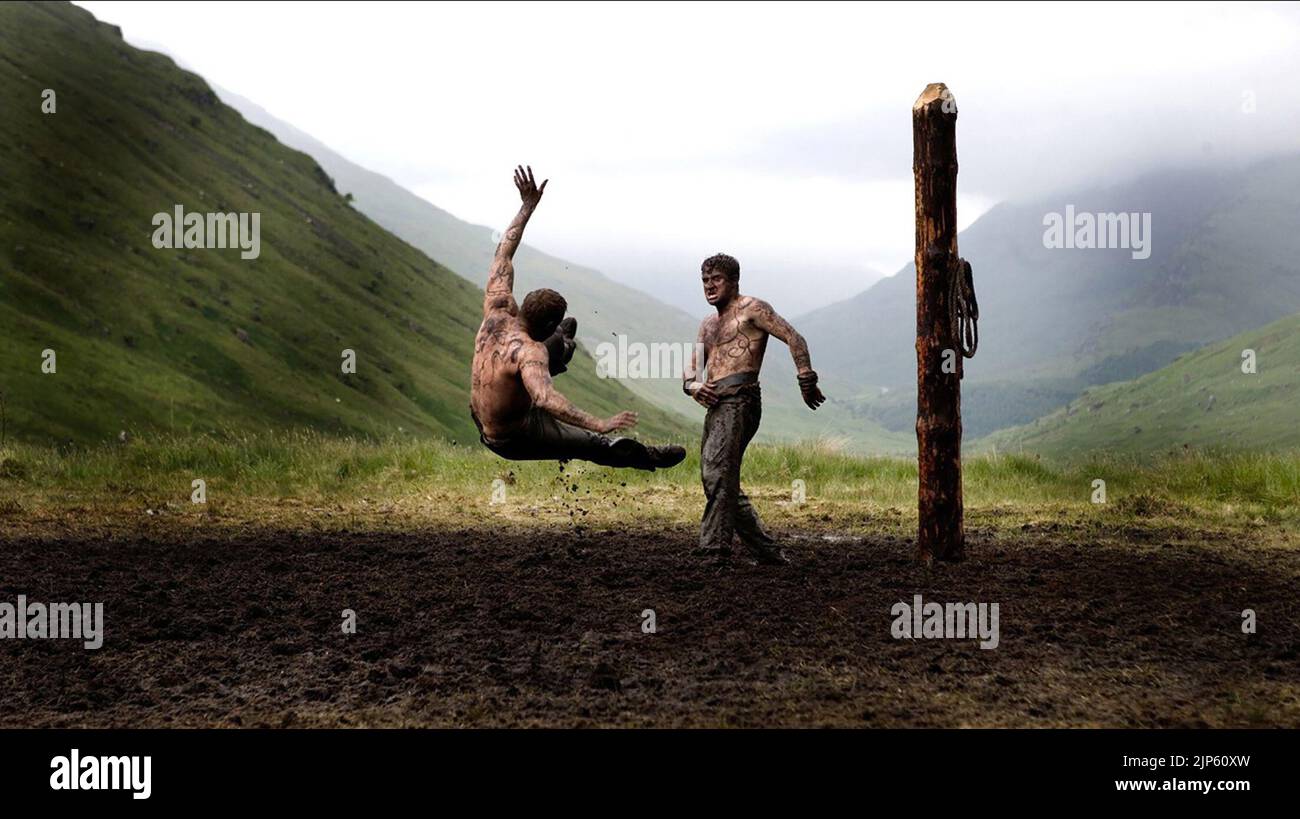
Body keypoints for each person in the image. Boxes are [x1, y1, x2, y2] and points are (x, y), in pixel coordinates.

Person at [469, 166, 686, 471]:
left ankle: (563, 342)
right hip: (512, 435)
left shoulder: (498, 309)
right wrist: (599, 423)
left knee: (558, 340)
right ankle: (648, 457)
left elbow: (503, 254)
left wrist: (527, 206)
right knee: (593, 444)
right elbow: (545, 399)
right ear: (542, 326)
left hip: (484, 415)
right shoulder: (531, 351)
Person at [683, 253, 826, 564]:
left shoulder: (752, 309)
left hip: (741, 399)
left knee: (719, 472)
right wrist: (693, 386)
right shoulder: (707, 325)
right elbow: (691, 372)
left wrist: (805, 376)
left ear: (733, 281)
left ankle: (713, 550)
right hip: (716, 403)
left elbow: (793, 336)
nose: (709, 286)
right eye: (705, 280)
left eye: (716, 279)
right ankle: (768, 552)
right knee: (715, 476)